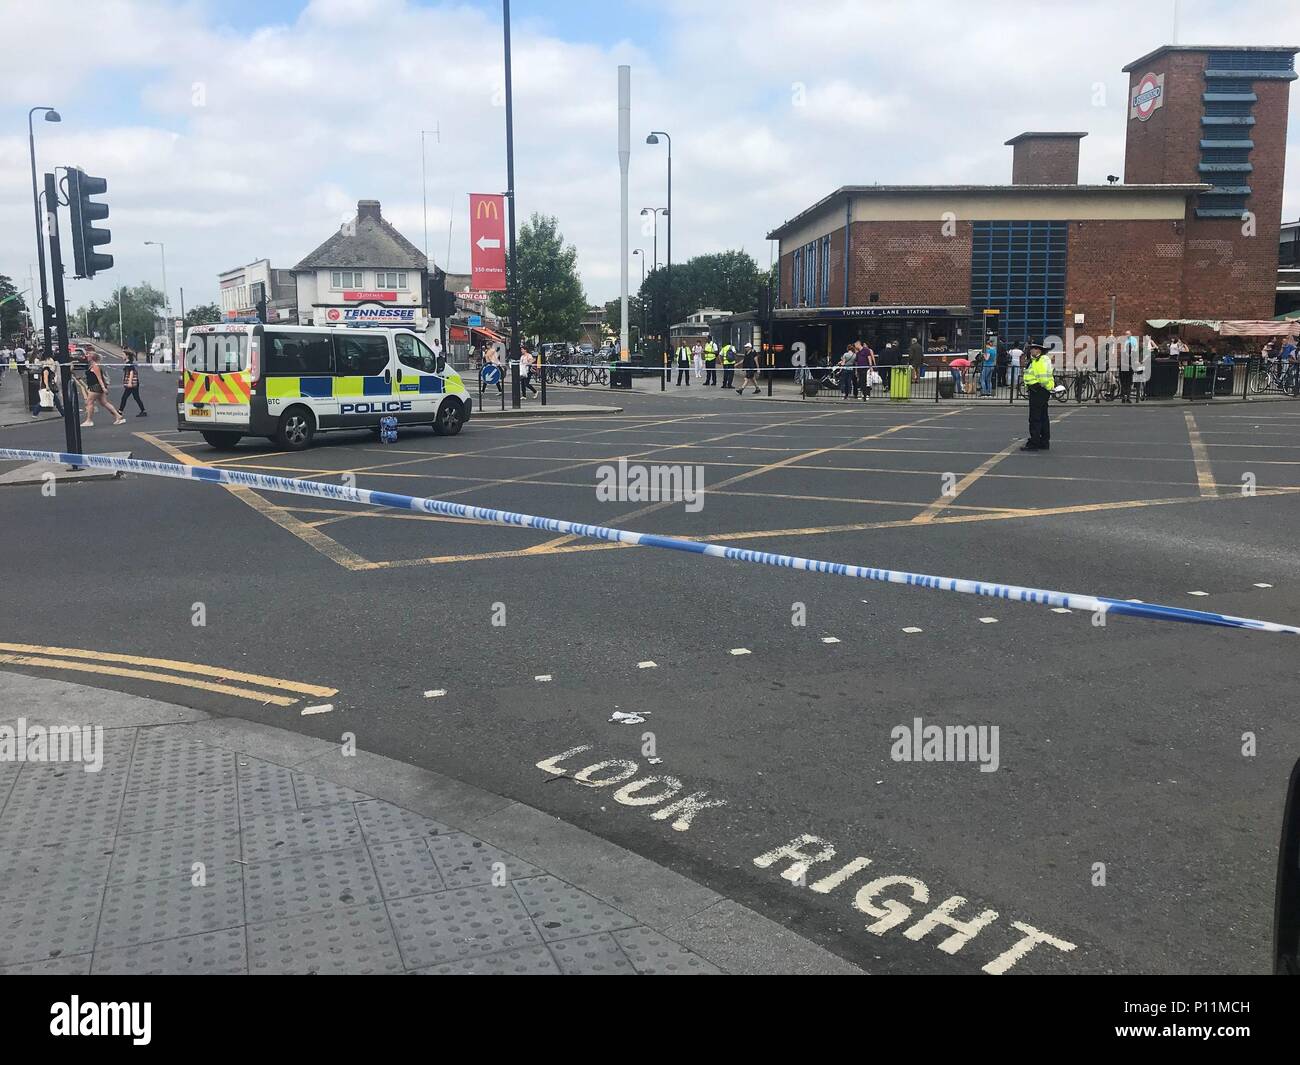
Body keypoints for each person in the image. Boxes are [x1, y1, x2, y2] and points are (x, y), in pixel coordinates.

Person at [1021, 342, 1054, 452]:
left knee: (1035, 418)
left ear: (1039, 350)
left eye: (1033, 349)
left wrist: (1039, 385)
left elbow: (1042, 377)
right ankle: (1044, 442)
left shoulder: (1040, 361)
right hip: (1042, 391)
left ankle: (1034, 442)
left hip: (1038, 390)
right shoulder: (1041, 359)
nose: (1031, 351)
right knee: (1043, 417)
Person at [80, 350, 125, 427]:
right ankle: (118, 416)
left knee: (89, 402)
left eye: (88, 355)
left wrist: (103, 388)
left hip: (95, 387)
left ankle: (89, 420)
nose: (87, 356)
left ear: (92, 357)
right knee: (104, 402)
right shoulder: (92, 365)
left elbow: (99, 378)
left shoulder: (95, 366)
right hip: (95, 386)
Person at [117, 348, 147, 416]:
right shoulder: (128, 363)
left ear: (127, 356)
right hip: (135, 383)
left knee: (124, 397)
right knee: (136, 397)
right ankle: (143, 411)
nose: (122, 356)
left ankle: (120, 411)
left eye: (123, 354)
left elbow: (131, 372)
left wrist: (129, 382)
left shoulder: (129, 364)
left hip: (132, 384)